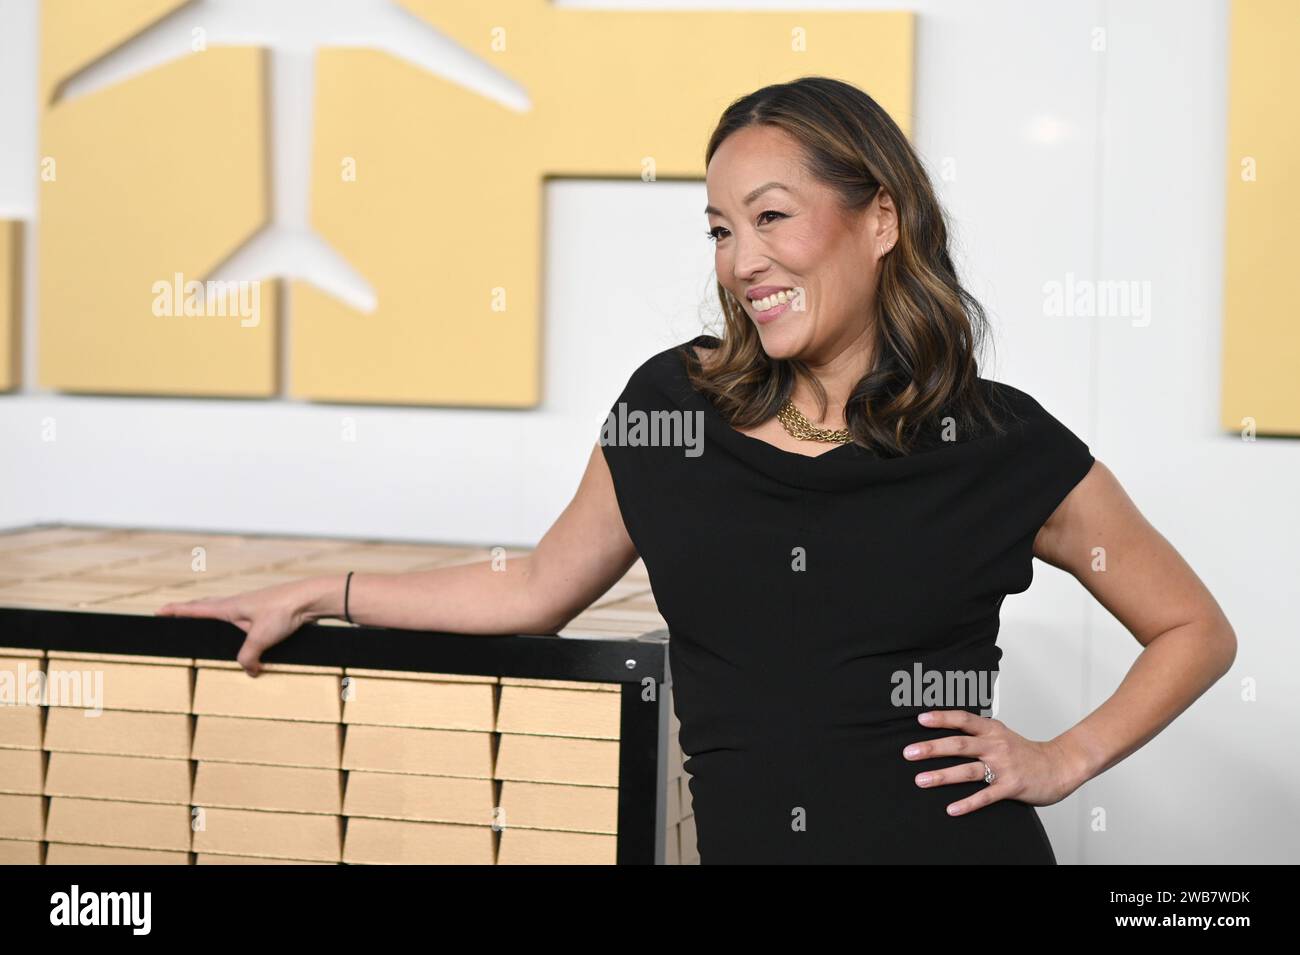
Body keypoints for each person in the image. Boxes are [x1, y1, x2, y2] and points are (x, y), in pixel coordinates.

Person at [157, 76, 1237, 864]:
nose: (741, 260)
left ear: (880, 219)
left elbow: (1194, 626)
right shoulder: (670, 409)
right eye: (720, 229)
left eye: (771, 217)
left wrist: (1062, 758)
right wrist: (322, 592)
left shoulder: (998, 444)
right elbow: (533, 588)